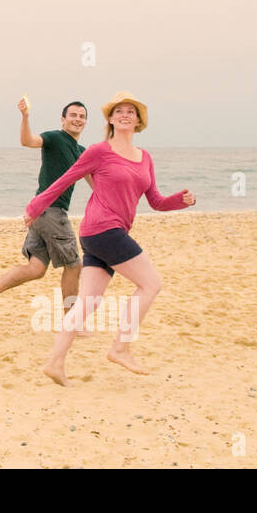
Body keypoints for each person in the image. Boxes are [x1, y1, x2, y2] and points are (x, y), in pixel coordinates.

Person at [22, 92, 196, 386]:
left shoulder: (145, 158)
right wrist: (36, 206)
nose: (125, 114)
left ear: (139, 120)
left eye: (131, 111)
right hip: (104, 229)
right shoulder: (98, 151)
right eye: (119, 111)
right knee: (151, 283)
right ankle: (120, 348)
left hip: (103, 235)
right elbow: (66, 178)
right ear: (111, 119)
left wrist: (181, 200)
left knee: (87, 301)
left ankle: (54, 363)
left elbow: (155, 201)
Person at [0, 97, 92, 323]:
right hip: (51, 210)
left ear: (85, 122)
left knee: (36, 268)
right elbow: (28, 141)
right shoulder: (56, 138)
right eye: (73, 115)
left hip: (40, 213)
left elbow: (95, 183)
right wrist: (25, 117)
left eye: (82, 117)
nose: (77, 120)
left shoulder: (81, 151)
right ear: (63, 119)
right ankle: (71, 322)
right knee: (74, 265)